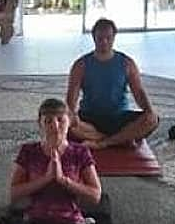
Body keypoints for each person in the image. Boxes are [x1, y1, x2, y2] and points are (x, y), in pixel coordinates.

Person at [0, 98, 117, 224]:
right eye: (48, 121)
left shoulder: (80, 152)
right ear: (40, 124)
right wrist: (46, 179)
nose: (55, 126)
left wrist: (63, 180)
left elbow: (95, 196)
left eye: (60, 120)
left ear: (69, 122)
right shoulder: (29, 151)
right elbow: (14, 194)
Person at [66, 18, 159, 149]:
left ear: (114, 37)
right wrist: (70, 115)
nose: (104, 42)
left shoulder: (127, 63)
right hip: (89, 118)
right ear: (94, 38)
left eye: (108, 38)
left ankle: (104, 142)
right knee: (65, 123)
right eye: (100, 38)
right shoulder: (80, 65)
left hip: (119, 118)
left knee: (152, 120)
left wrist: (149, 111)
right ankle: (122, 138)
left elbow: (138, 92)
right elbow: (71, 97)